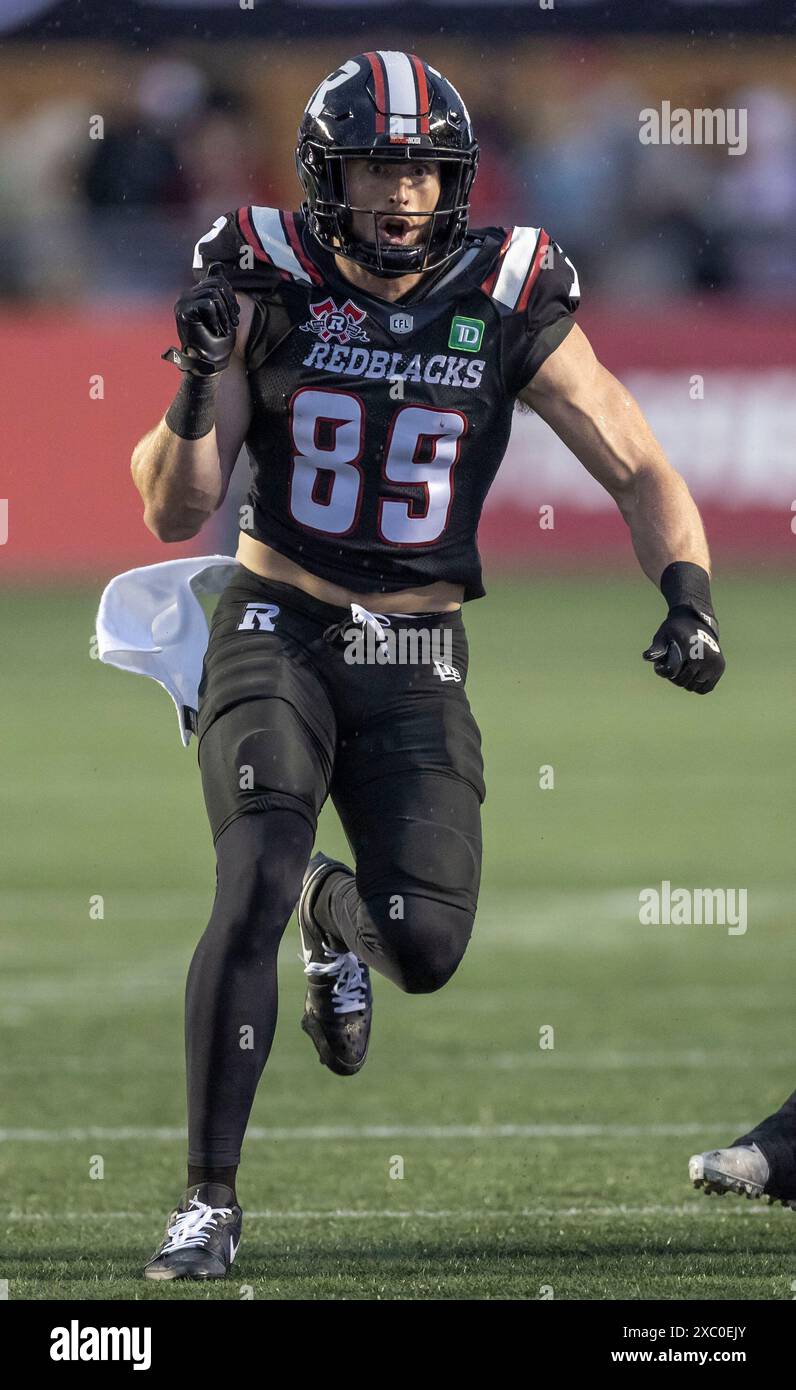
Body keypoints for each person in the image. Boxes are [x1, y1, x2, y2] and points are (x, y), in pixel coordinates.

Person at [130, 51, 725, 1280]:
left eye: (421, 168)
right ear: (325, 174)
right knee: (250, 870)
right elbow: (171, 511)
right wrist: (197, 381)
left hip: (417, 647)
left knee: (429, 945)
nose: (401, 193)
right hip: (275, 621)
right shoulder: (258, 271)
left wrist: (689, 597)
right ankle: (208, 1198)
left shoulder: (504, 287)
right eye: (376, 166)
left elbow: (638, 464)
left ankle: (336, 916)